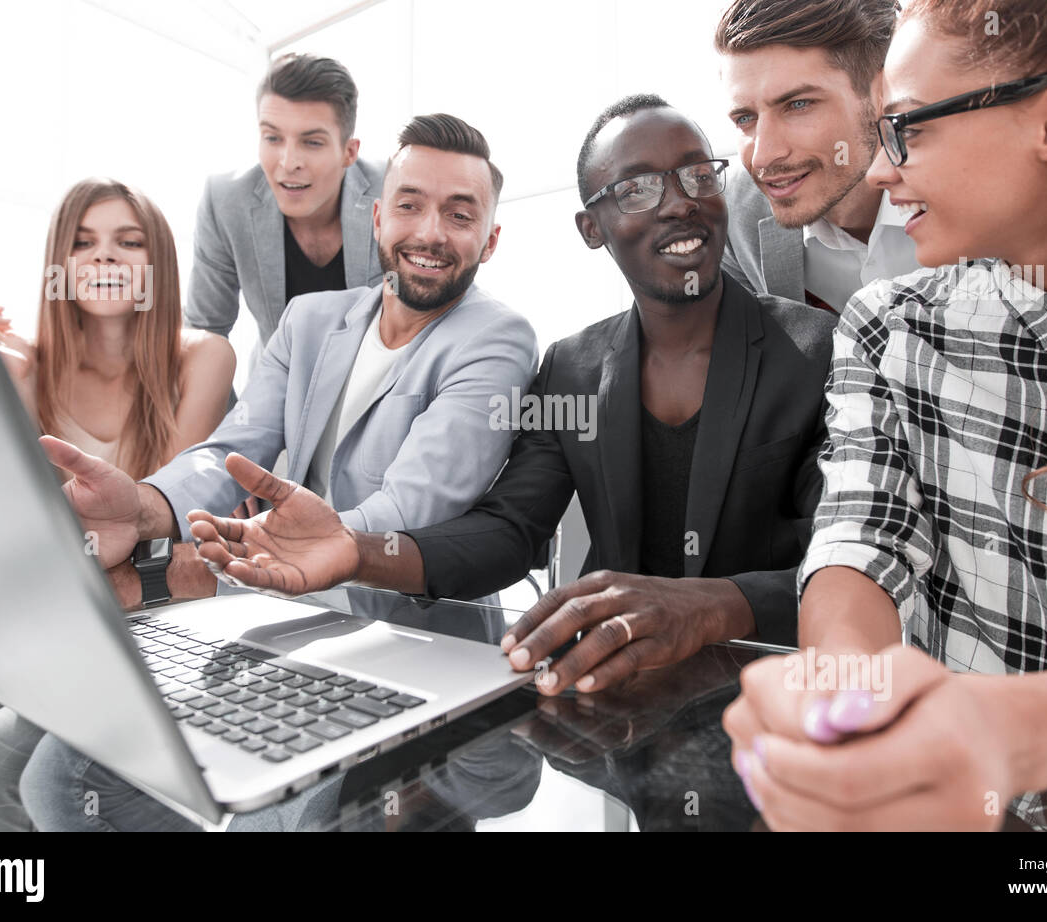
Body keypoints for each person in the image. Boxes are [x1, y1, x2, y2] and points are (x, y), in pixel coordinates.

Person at [186, 96, 837, 698]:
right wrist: (359, 552)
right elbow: (510, 531)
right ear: (592, 227)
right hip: (628, 710)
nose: (680, 203)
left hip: (796, 713)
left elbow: (857, 563)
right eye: (638, 188)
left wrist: (710, 607)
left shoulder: (817, 351)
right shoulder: (574, 367)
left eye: (699, 176)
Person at [725, 0, 1047, 831]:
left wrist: (1000, 732)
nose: (877, 170)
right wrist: (845, 709)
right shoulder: (890, 324)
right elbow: (859, 539)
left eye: (906, 128)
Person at [17, 114, 539, 831]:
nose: (430, 232)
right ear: (379, 215)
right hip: (288, 627)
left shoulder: (497, 338)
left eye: (461, 213)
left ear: (491, 238)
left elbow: (417, 504)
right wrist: (144, 506)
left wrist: (277, 555)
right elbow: (231, 449)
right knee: (57, 779)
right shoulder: (310, 321)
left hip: (409, 644)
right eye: (411, 204)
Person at [0, 179, 235, 833]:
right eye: (84, 244)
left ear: (157, 262)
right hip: (55, 616)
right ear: (59, 264)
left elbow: (166, 524)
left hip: (150, 613)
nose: (104, 259)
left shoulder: (202, 357)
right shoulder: (30, 366)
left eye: (127, 243)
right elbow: (26, 529)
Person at [716, 0, 920, 312]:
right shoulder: (733, 219)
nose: (763, 157)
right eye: (745, 118)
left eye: (798, 105)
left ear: (884, 94)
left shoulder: (980, 189)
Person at [186, 53, 384, 349]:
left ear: (349, 152)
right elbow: (203, 336)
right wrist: (240, 399)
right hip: (278, 389)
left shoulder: (393, 192)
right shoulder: (226, 202)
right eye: (272, 138)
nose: (288, 162)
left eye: (312, 142)